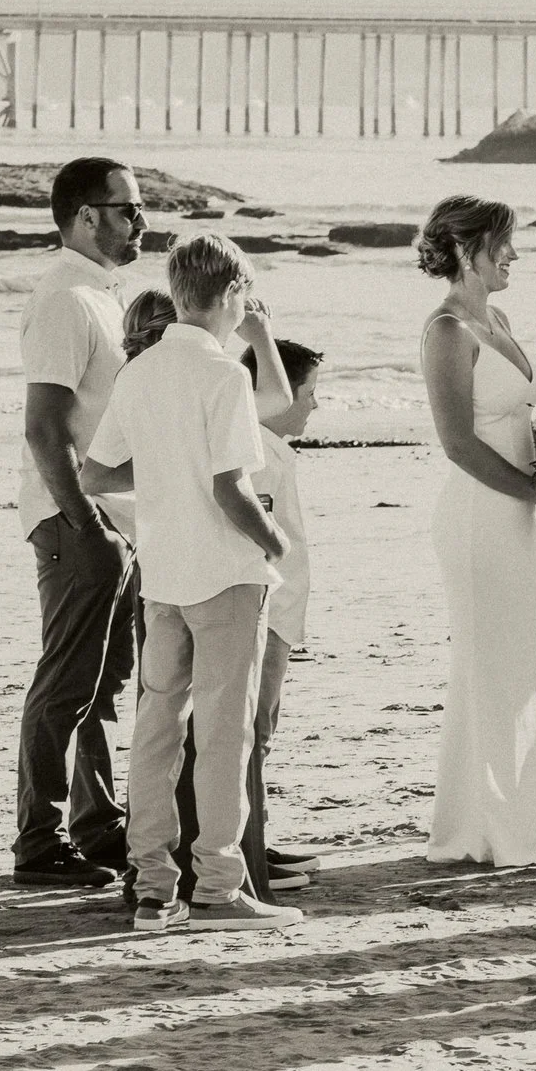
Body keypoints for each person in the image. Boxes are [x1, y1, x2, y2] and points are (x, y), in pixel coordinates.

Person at [81, 233, 299, 932]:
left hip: (163, 571)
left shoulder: (140, 370)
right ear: (231, 292)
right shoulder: (223, 374)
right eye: (244, 296)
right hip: (225, 573)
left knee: (156, 730)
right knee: (222, 734)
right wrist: (276, 540)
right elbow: (231, 488)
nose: (245, 308)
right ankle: (218, 885)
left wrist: (166, 476)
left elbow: (95, 473)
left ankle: (151, 886)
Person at [419, 196, 536, 867]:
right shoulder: (447, 331)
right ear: (467, 250)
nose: (513, 255)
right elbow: (458, 444)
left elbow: (517, 422)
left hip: (516, 515)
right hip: (477, 517)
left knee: (522, 663)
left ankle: (505, 822)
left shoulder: (500, 318)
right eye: (503, 244)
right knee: (491, 664)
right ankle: (490, 831)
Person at [10, 157, 142, 889]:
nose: (140, 223)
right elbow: (44, 427)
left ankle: (98, 827)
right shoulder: (64, 299)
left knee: (103, 685)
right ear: (85, 215)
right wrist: (86, 525)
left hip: (113, 516)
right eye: (127, 210)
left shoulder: (101, 296)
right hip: (77, 519)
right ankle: (38, 841)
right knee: (67, 683)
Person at [242, 338, 325, 891]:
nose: (315, 405)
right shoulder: (260, 454)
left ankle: (255, 838)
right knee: (252, 733)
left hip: (281, 612)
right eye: (309, 392)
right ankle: (248, 851)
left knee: (261, 732)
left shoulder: (274, 449)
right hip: (265, 612)